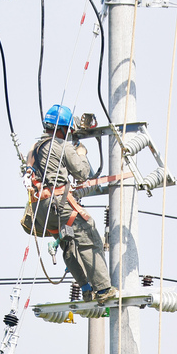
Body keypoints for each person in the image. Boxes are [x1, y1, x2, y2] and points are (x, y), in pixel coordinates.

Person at [26, 103, 117, 305]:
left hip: (40, 208)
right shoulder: (62, 145)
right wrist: (81, 153)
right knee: (88, 237)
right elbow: (83, 173)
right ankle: (103, 289)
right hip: (59, 203)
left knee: (68, 244)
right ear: (61, 128)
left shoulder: (33, 149)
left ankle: (86, 289)